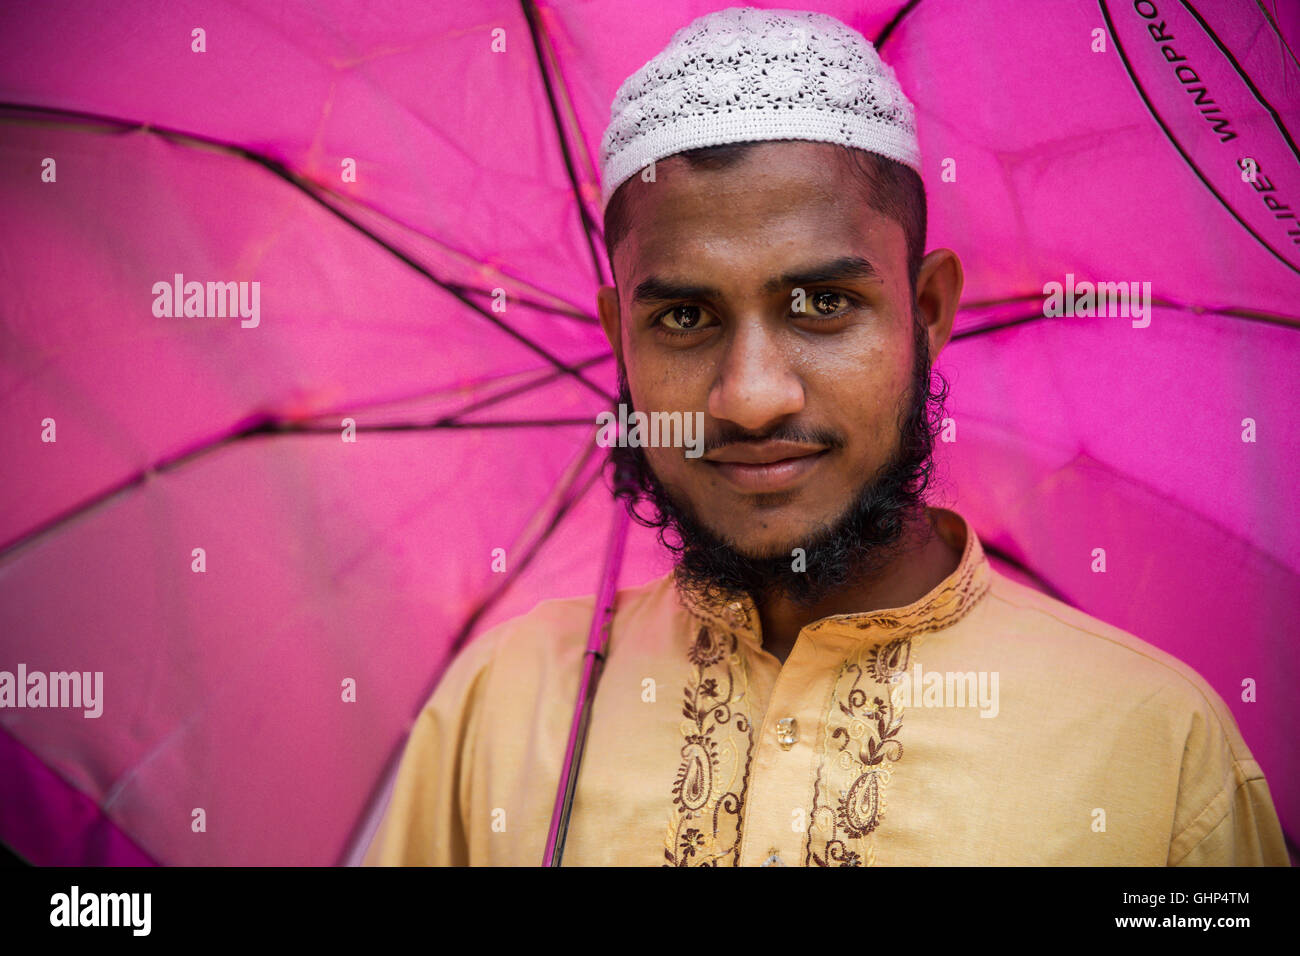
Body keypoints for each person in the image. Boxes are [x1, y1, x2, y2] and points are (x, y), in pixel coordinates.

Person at [364, 6, 1288, 866]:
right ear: (620, 340)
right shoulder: (504, 712)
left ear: (927, 311)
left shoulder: (1154, 749)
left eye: (822, 304)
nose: (751, 399)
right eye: (684, 317)